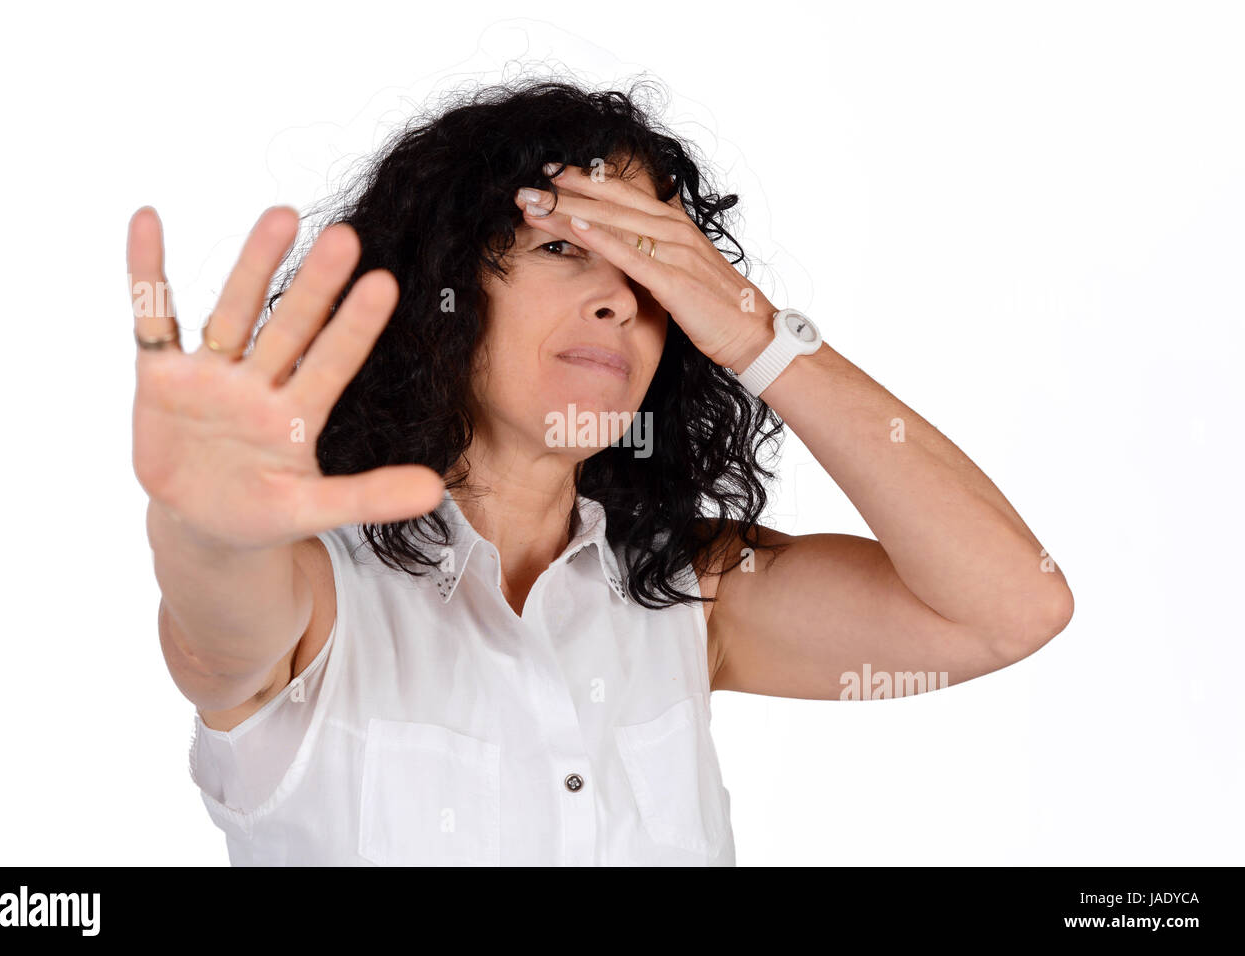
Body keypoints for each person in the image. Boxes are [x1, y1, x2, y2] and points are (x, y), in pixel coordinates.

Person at [127, 79, 1073, 866]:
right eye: (563, 247)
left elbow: (1010, 609)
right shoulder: (317, 588)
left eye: (653, 265)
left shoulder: (690, 591)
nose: (623, 297)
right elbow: (220, 632)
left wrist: (759, 334)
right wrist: (201, 525)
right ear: (442, 290)